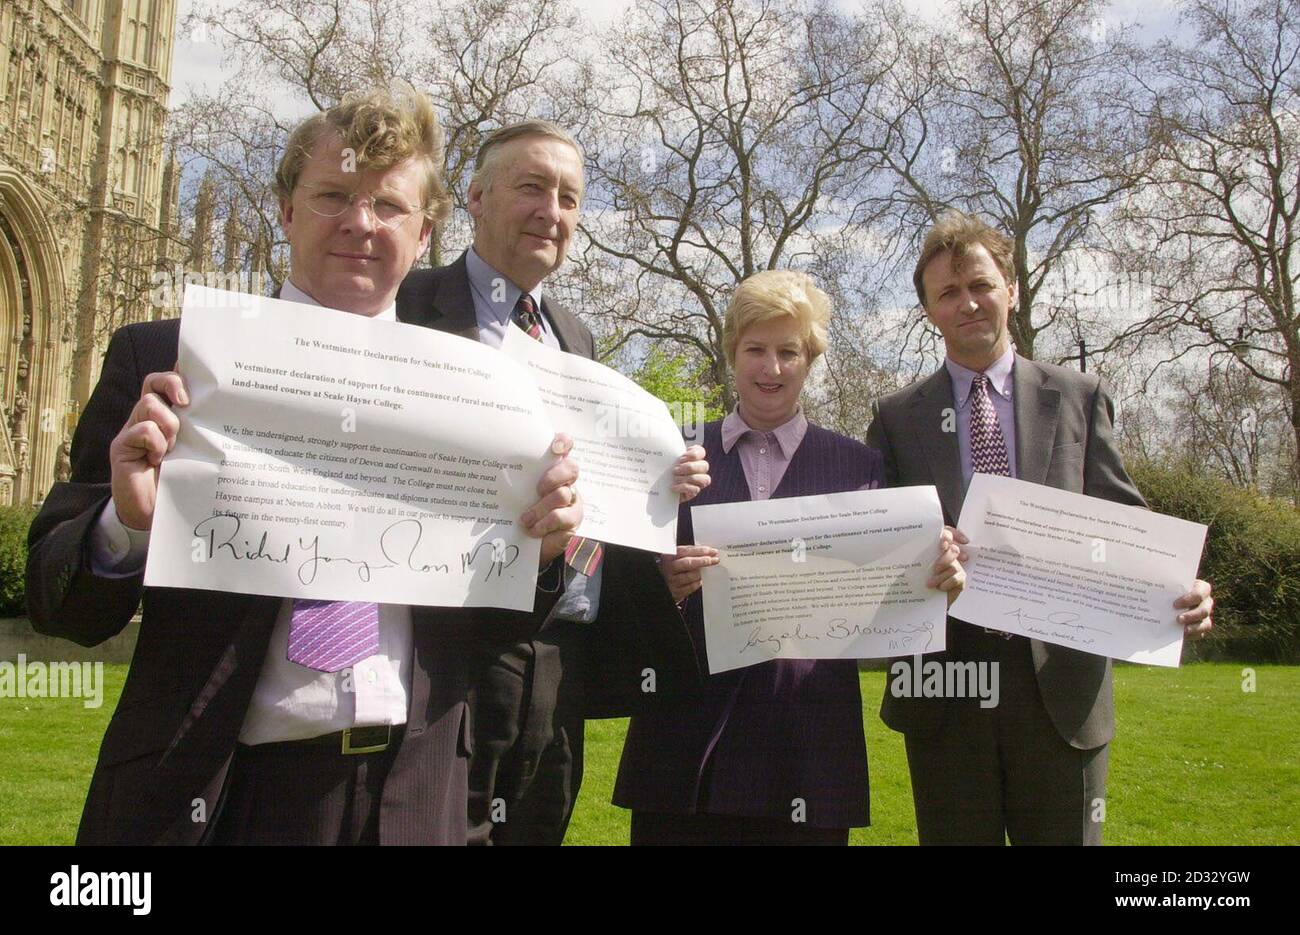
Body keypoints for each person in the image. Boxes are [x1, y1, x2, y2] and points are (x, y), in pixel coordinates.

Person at [25, 86, 585, 845]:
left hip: (414, 800)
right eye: (333, 196)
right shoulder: (164, 359)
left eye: (390, 205)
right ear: (287, 211)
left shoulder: (481, 395)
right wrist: (121, 526)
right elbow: (61, 607)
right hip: (215, 796)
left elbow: (488, 633)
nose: (360, 222)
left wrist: (541, 553)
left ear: (424, 235)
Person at [396, 120, 709, 845]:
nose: (553, 211)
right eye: (531, 187)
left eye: (569, 197)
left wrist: (656, 485)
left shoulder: (575, 336)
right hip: (448, 650)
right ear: (473, 196)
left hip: (563, 657)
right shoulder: (409, 307)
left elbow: (592, 488)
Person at [866, 210, 1215, 845]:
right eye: (948, 293)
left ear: (1011, 288)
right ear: (928, 312)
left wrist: (1181, 584)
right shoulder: (895, 418)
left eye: (981, 284)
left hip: (1061, 689)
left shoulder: (1079, 396)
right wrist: (920, 561)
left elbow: (1125, 522)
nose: (968, 303)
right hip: (945, 688)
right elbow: (877, 546)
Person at [611, 269, 966, 845]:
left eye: (788, 351)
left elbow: (884, 606)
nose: (770, 368)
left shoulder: (860, 469)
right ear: (732, 352)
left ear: (810, 360)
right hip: (684, 751)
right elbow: (619, 593)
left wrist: (934, 581)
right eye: (755, 349)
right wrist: (662, 583)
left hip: (807, 750)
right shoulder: (674, 457)